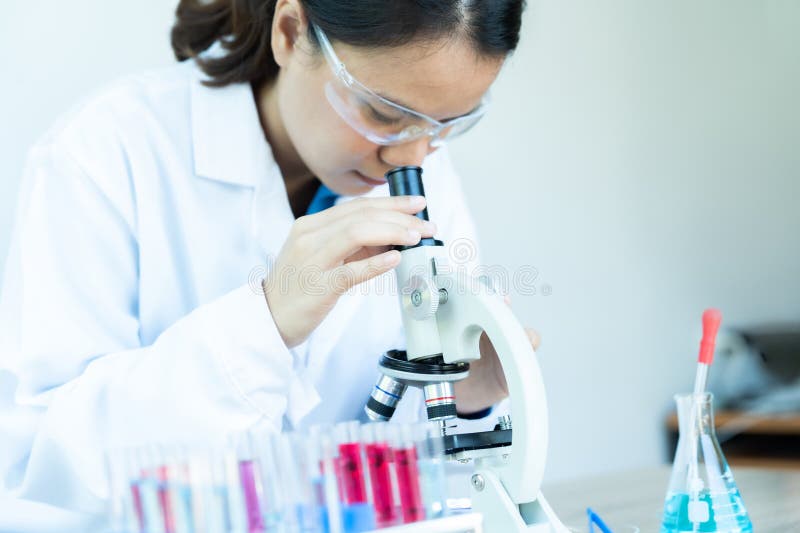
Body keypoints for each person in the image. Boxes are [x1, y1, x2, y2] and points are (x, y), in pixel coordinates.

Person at [0, 0, 539, 529]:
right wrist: (264, 324)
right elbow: (45, 460)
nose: (412, 157)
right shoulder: (108, 152)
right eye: (383, 113)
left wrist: (465, 395)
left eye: (445, 125)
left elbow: (406, 470)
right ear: (288, 31)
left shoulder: (426, 178)